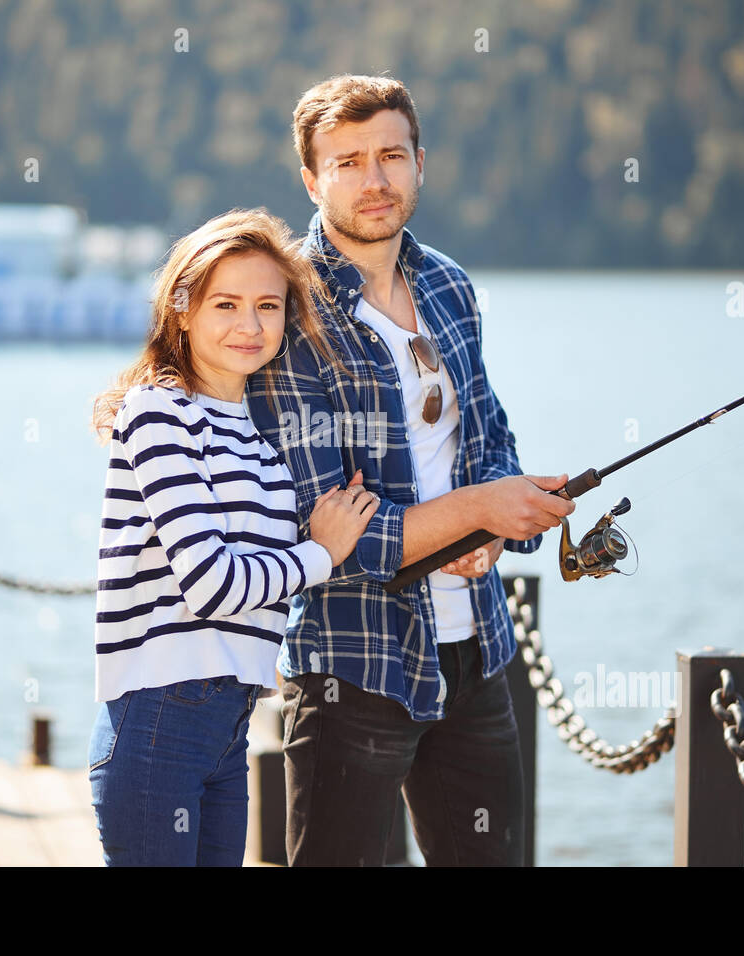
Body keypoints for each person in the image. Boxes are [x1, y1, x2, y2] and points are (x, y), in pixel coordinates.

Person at [243, 75, 576, 866]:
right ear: (311, 180)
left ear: (421, 163)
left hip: (477, 653)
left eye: (391, 155)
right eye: (349, 161)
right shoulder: (288, 314)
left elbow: (491, 437)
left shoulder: (451, 286)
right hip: (351, 666)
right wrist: (480, 508)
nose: (375, 179)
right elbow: (337, 533)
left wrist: (496, 529)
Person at [86, 208, 379, 867]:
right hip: (159, 719)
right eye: (227, 304)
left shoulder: (258, 440)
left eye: (268, 306)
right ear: (182, 311)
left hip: (230, 725)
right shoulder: (161, 414)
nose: (250, 326)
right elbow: (212, 583)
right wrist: (321, 553)